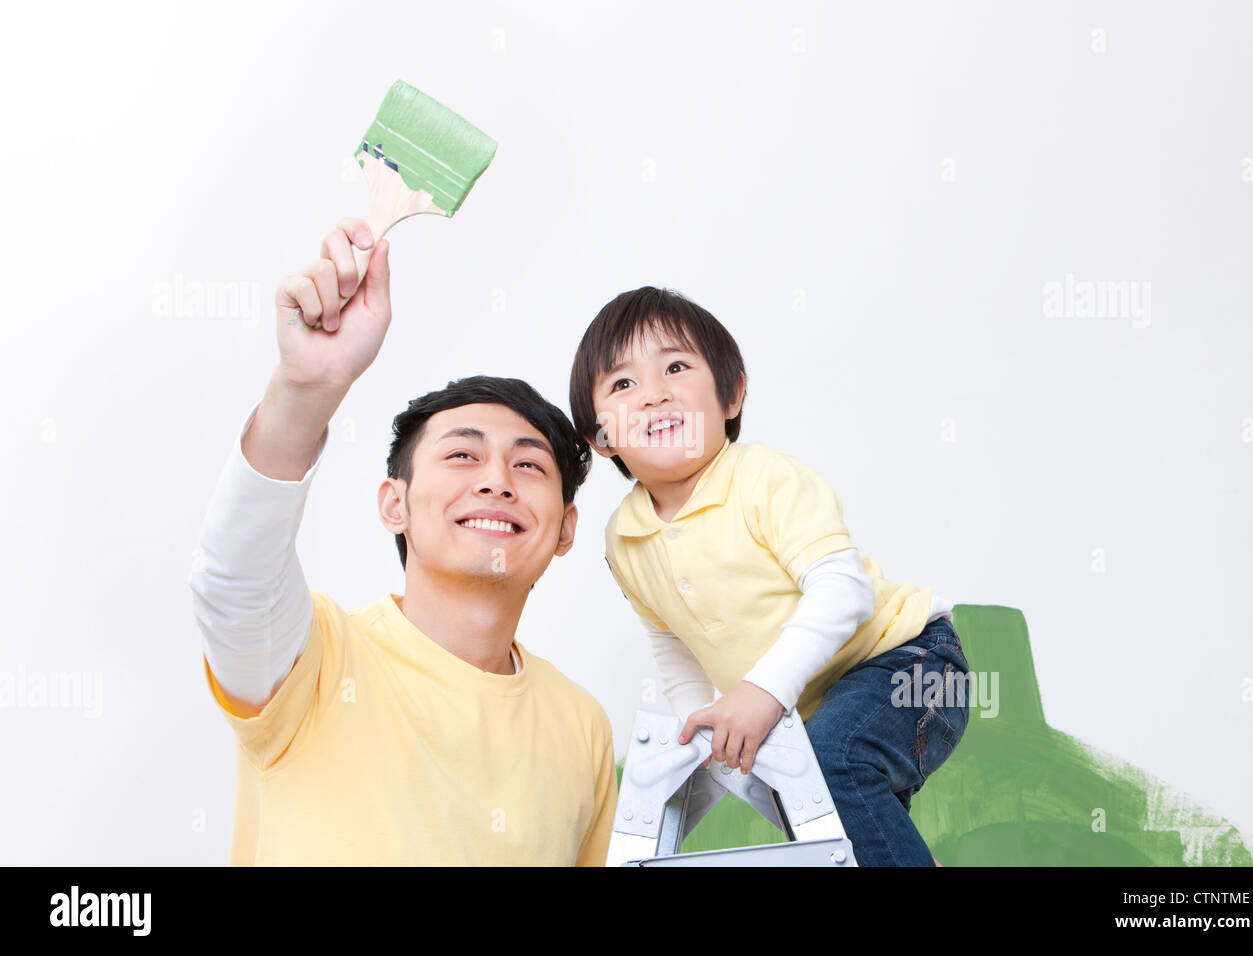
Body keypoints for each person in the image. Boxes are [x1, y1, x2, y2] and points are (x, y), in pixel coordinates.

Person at [190, 218, 617, 865]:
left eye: (529, 465)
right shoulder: (311, 660)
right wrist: (305, 393)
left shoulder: (583, 727)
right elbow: (234, 578)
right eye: (463, 456)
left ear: (565, 530)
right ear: (396, 504)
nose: (497, 482)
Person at [567, 286, 969, 866]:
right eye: (623, 384)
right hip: (809, 708)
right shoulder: (625, 538)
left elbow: (843, 589)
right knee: (820, 821)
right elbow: (670, 636)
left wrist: (758, 693)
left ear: (731, 395)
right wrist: (693, 728)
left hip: (910, 663)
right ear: (600, 438)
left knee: (834, 763)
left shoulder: (762, 478)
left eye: (676, 367)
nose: (653, 394)